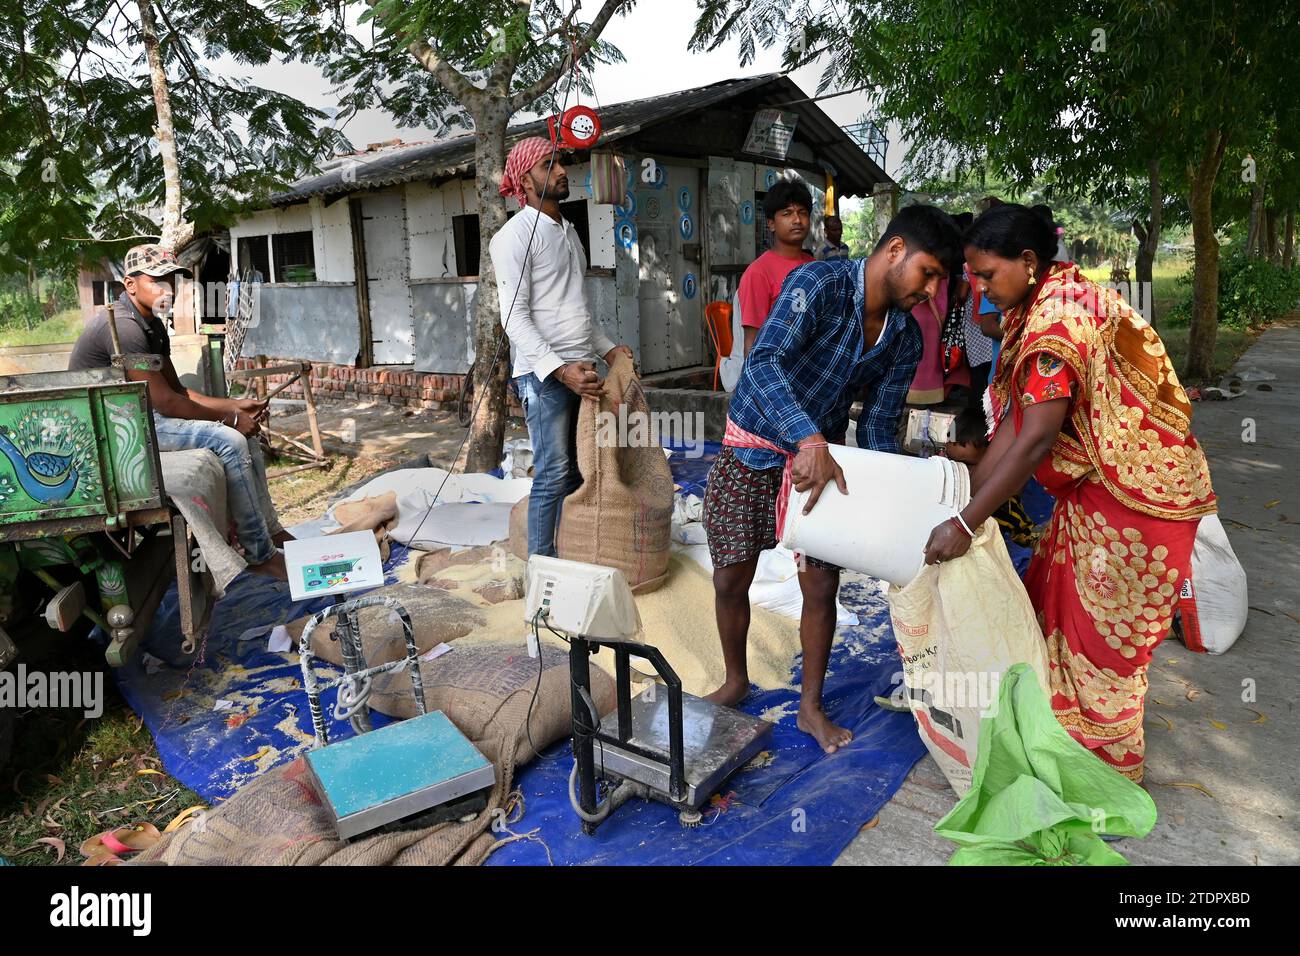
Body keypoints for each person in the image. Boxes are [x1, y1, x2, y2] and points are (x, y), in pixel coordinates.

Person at [923, 204, 1216, 782]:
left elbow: (1032, 442)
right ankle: (1064, 748)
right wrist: (963, 502)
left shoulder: (1055, 328)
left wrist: (962, 523)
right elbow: (1013, 422)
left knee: (1099, 646)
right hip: (1108, 487)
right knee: (1057, 616)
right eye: (973, 277)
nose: (979, 290)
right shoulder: (1053, 295)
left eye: (987, 276)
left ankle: (1102, 778)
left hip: (1136, 503)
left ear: (1028, 262)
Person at [703, 205, 963, 753]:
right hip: (755, 444)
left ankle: (810, 707)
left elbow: (876, 422)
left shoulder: (904, 337)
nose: (933, 290)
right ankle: (735, 679)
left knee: (821, 586)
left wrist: (887, 504)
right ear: (895, 252)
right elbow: (763, 364)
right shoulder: (816, 284)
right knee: (731, 576)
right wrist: (809, 438)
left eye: (942, 280)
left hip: (820, 462)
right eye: (929, 273)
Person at [68, 245, 292, 578]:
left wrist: (234, 406)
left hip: (137, 418)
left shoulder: (153, 327)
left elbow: (178, 391)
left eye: (171, 279)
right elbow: (165, 403)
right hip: (111, 432)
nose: (167, 289)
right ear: (130, 285)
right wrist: (229, 419)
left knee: (247, 436)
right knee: (230, 439)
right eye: (157, 280)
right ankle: (260, 555)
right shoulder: (124, 328)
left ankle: (270, 532)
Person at [490, 136, 633, 558]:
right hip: (544, 377)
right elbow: (513, 317)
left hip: (581, 371)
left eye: (561, 164)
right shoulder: (512, 237)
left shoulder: (568, 230)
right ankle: (542, 569)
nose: (561, 171)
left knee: (578, 473)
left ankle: (570, 556)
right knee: (553, 473)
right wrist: (559, 370)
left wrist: (608, 350)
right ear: (525, 179)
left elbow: (577, 310)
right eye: (548, 166)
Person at [738, 179, 814, 358]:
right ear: (771, 224)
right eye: (787, 213)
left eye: (802, 212)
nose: (797, 220)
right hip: (777, 371)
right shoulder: (758, 273)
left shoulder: (815, 267)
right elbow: (752, 340)